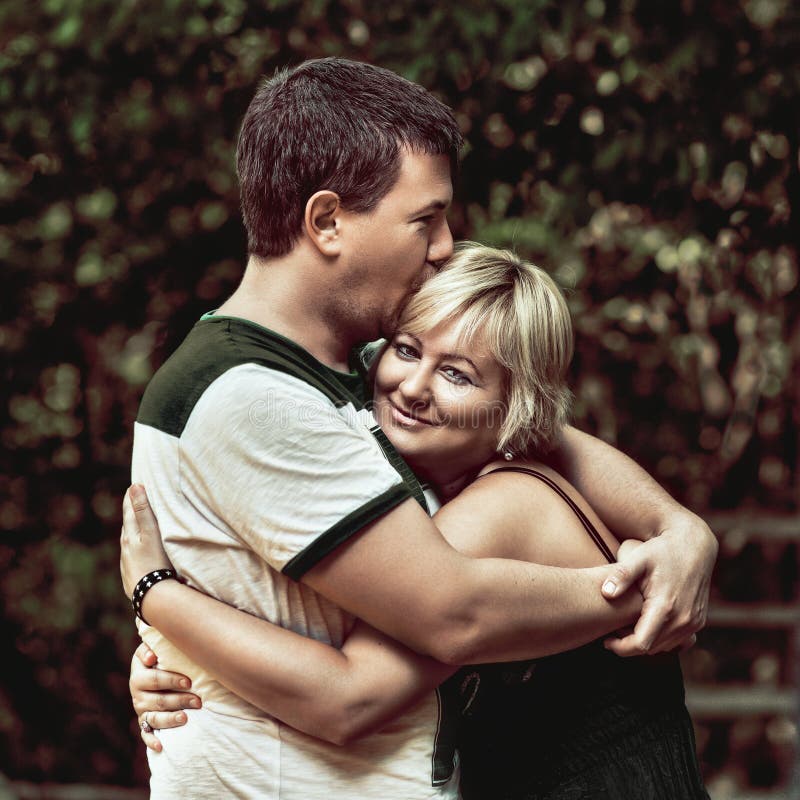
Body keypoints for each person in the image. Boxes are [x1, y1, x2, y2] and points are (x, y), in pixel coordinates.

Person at [123, 57, 717, 799]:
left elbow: (432, 622)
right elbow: (427, 626)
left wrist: (680, 533)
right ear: (327, 220)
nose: (443, 247)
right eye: (426, 219)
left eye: (458, 374)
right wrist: (168, 633)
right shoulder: (262, 396)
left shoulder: (354, 377)